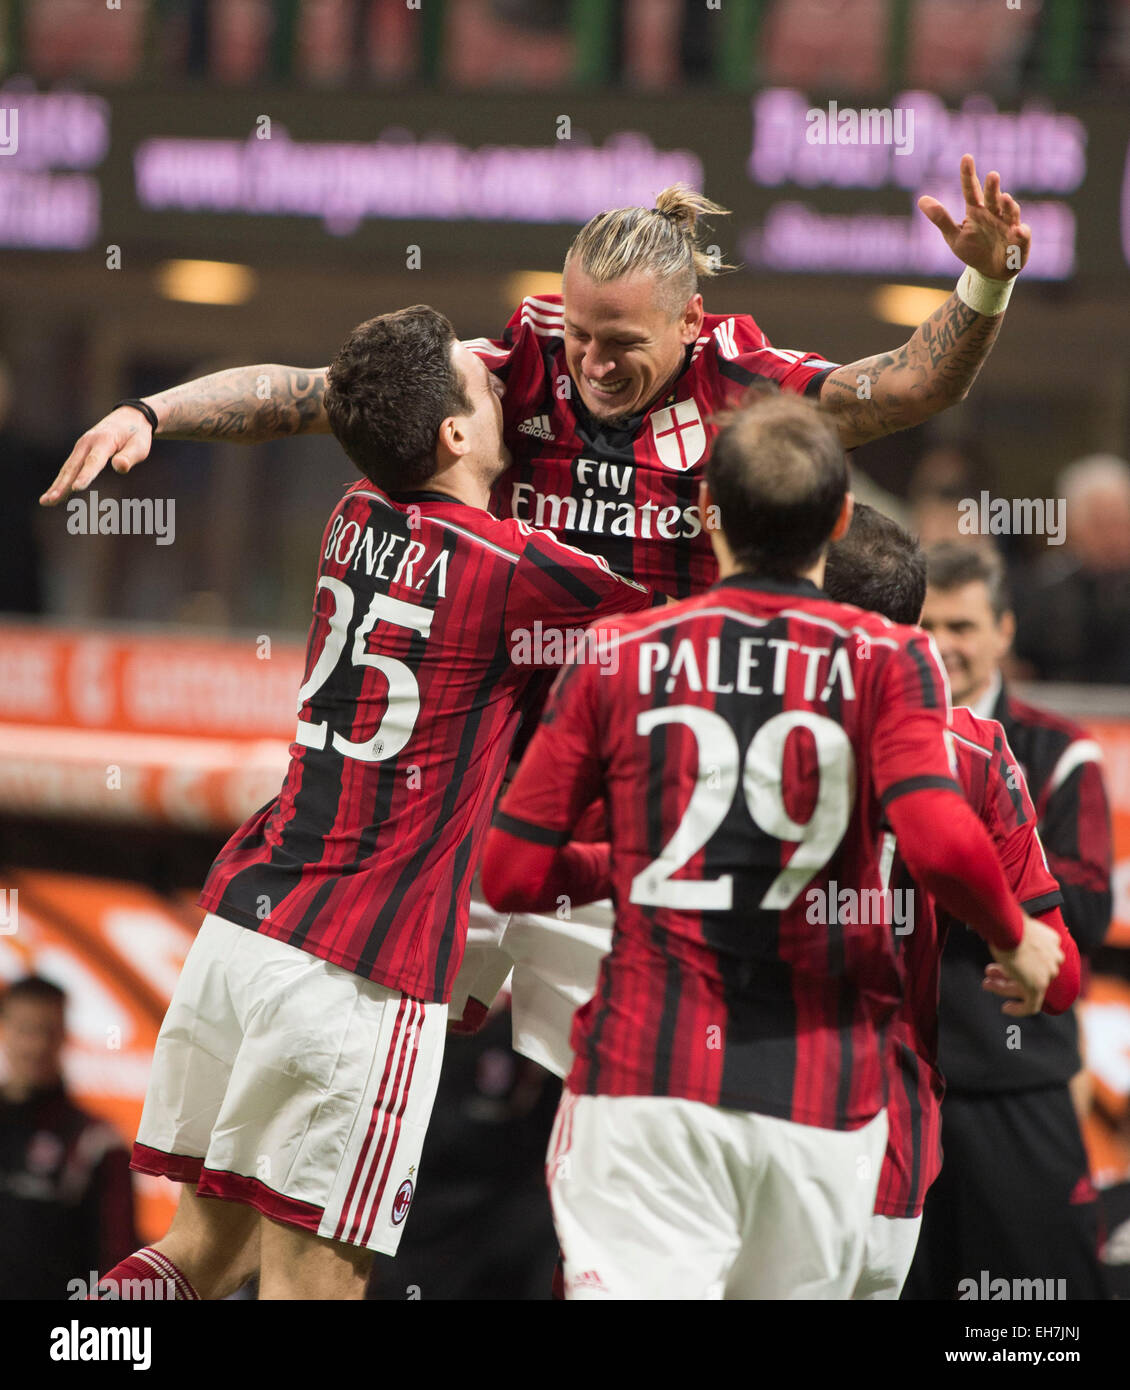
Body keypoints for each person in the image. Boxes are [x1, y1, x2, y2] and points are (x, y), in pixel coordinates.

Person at [95, 305, 655, 1302]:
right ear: (451, 433)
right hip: (356, 973)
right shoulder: (517, 571)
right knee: (312, 1287)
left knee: (197, 1256)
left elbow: (323, 399)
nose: (498, 386)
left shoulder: (351, 511)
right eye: (480, 387)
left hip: (242, 931)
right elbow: (691, 618)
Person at [480, 393, 1066, 1300]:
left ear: (709, 514)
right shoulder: (890, 663)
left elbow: (511, 873)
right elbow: (941, 845)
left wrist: (620, 867)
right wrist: (1014, 937)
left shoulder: (616, 651)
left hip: (649, 1080)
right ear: (837, 521)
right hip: (827, 1104)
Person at [45, 158, 1030, 600]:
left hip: (661, 741)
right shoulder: (515, 369)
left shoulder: (746, 386)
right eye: (579, 335)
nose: (592, 363)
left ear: (689, 322)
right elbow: (305, 395)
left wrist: (983, 277)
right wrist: (153, 411)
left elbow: (904, 390)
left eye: (620, 343)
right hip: (512, 748)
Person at [818, 503, 1080, 1300]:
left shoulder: (691, 689)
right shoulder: (972, 749)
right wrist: (1016, 945)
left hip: (703, 1093)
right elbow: (1060, 978)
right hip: (884, 1128)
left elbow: (528, 871)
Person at [903, 541, 1112, 1300]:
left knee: (1035, 1333)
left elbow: (1084, 911)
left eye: (963, 625)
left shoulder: (1059, 752)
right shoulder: (869, 736)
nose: (945, 644)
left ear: (1005, 630)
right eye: (928, 624)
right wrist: (1005, 896)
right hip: (892, 1086)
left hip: (1014, 1085)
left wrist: (949, 858)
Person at [0, 976, 138, 1300]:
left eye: (48, 1031)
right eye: (24, 1030)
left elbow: (115, 1266)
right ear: (4, 1030)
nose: (36, 1045)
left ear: (65, 1035)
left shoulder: (98, 1142)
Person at [1012, 454, 1130, 685]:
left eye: (1121, 522)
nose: (1113, 537)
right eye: (1100, 524)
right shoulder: (1039, 590)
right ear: (1071, 525)